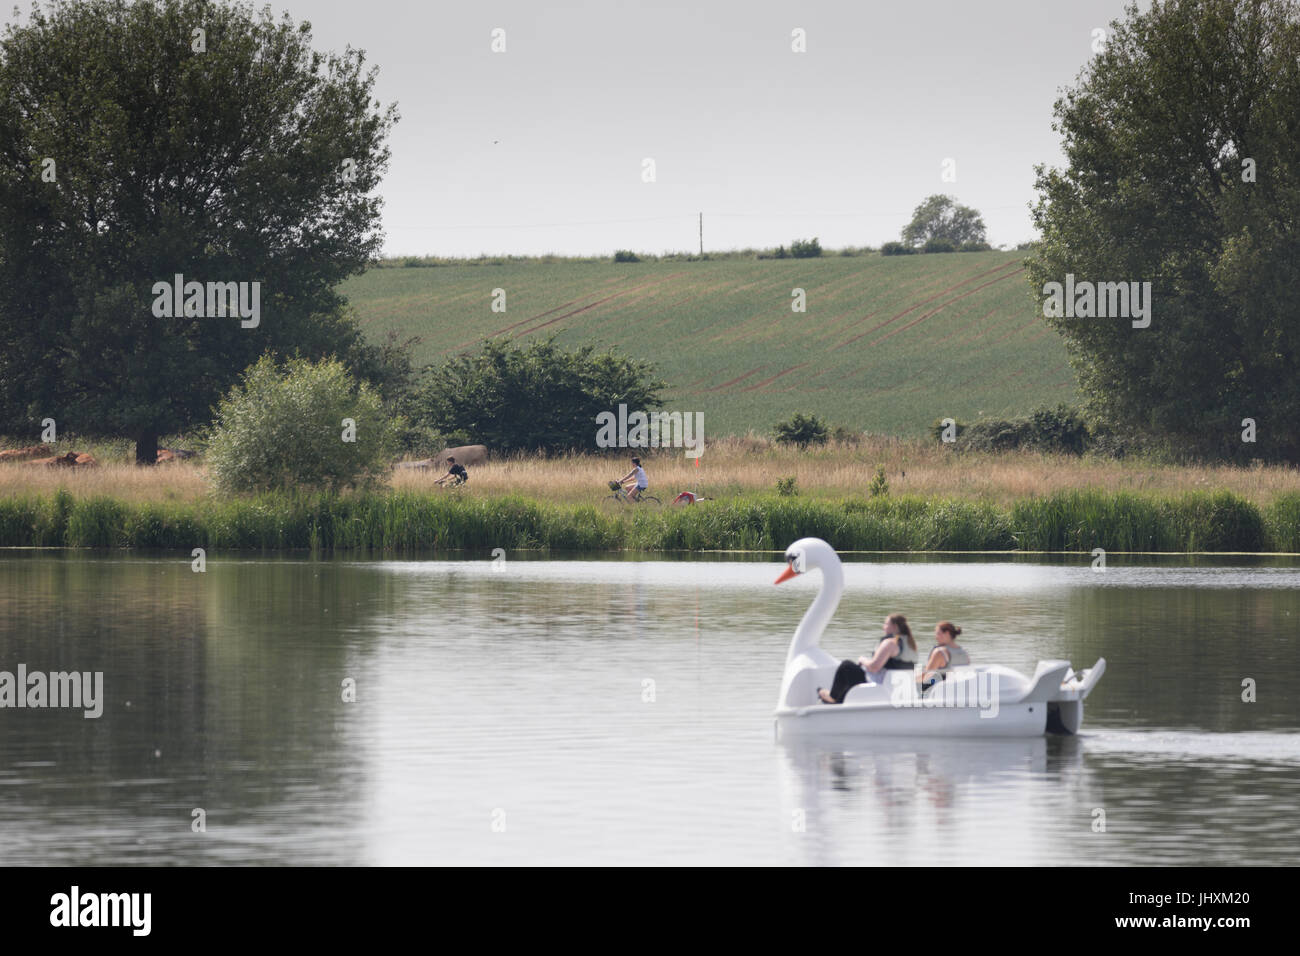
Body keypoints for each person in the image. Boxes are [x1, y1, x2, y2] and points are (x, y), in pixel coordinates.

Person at [817, 613, 917, 704]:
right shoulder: (911, 645)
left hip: (879, 686)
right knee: (853, 674)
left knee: (846, 666)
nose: (883, 627)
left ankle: (833, 697)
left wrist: (862, 660)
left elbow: (874, 667)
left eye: (886, 624)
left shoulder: (890, 643)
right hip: (898, 687)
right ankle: (840, 700)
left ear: (895, 627)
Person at [918, 621, 970, 690]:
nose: (936, 637)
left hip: (939, 691)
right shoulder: (964, 653)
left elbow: (925, 677)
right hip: (959, 690)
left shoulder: (940, 652)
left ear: (947, 634)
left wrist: (909, 679)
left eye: (938, 634)